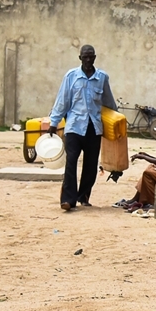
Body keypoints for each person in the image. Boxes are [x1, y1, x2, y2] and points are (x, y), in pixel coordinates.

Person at [48, 45, 117, 211]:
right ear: (80, 58)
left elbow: (109, 102)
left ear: (95, 57)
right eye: (85, 57)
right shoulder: (71, 76)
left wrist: (118, 121)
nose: (88, 60)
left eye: (90, 57)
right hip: (74, 127)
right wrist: (53, 123)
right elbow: (63, 100)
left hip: (94, 128)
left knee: (91, 165)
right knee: (71, 163)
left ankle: (83, 196)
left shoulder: (102, 77)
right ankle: (68, 200)